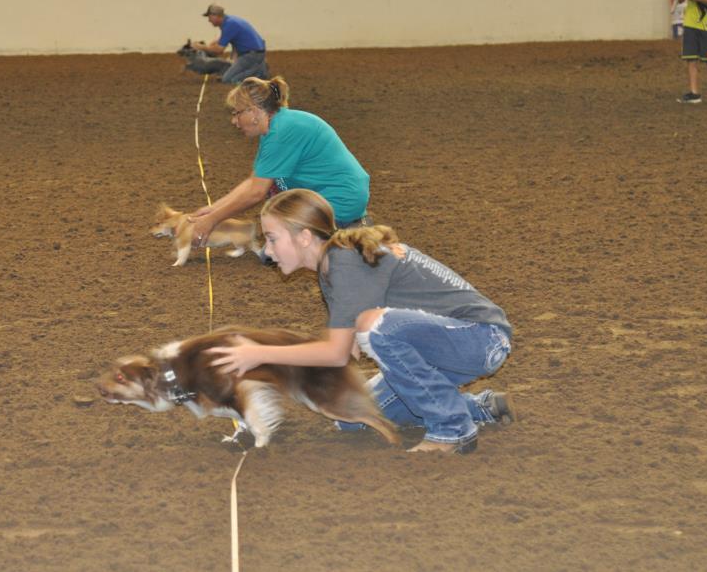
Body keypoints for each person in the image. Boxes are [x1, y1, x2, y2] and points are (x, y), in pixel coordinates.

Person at [209, 189, 516, 454]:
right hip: (457, 344)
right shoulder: (334, 268)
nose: (267, 251)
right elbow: (347, 355)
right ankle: (477, 408)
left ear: (304, 237)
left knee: (374, 326)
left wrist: (259, 354)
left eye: (272, 238)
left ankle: (452, 429)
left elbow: (337, 352)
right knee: (352, 417)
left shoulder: (345, 263)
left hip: (481, 337)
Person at [189, 76, 371, 250]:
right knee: (275, 241)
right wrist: (212, 210)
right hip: (338, 195)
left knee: (277, 251)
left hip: (338, 199)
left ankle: (343, 233)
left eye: (237, 113)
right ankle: (344, 229)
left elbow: (256, 192)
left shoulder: (280, 133)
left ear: (254, 111)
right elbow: (254, 181)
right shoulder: (277, 126)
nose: (234, 121)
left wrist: (212, 220)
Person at [192, 4, 268, 85]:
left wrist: (201, 47)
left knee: (228, 79)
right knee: (229, 70)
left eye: (209, 17)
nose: (209, 20)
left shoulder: (229, 25)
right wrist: (233, 58)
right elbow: (229, 40)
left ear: (215, 16)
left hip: (251, 55)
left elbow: (219, 50)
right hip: (256, 52)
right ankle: (258, 68)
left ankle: (259, 74)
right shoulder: (230, 21)